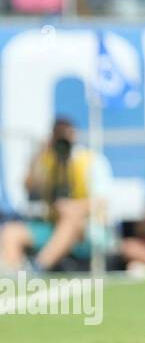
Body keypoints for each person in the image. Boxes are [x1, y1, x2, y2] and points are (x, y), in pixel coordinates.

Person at [0, 117, 93, 272]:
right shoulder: (47, 161)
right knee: (10, 232)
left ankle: (38, 267)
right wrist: (39, 155)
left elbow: (103, 202)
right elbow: (28, 186)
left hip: (83, 228)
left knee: (70, 217)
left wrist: (72, 206)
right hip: (51, 224)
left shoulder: (89, 161)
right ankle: (15, 277)